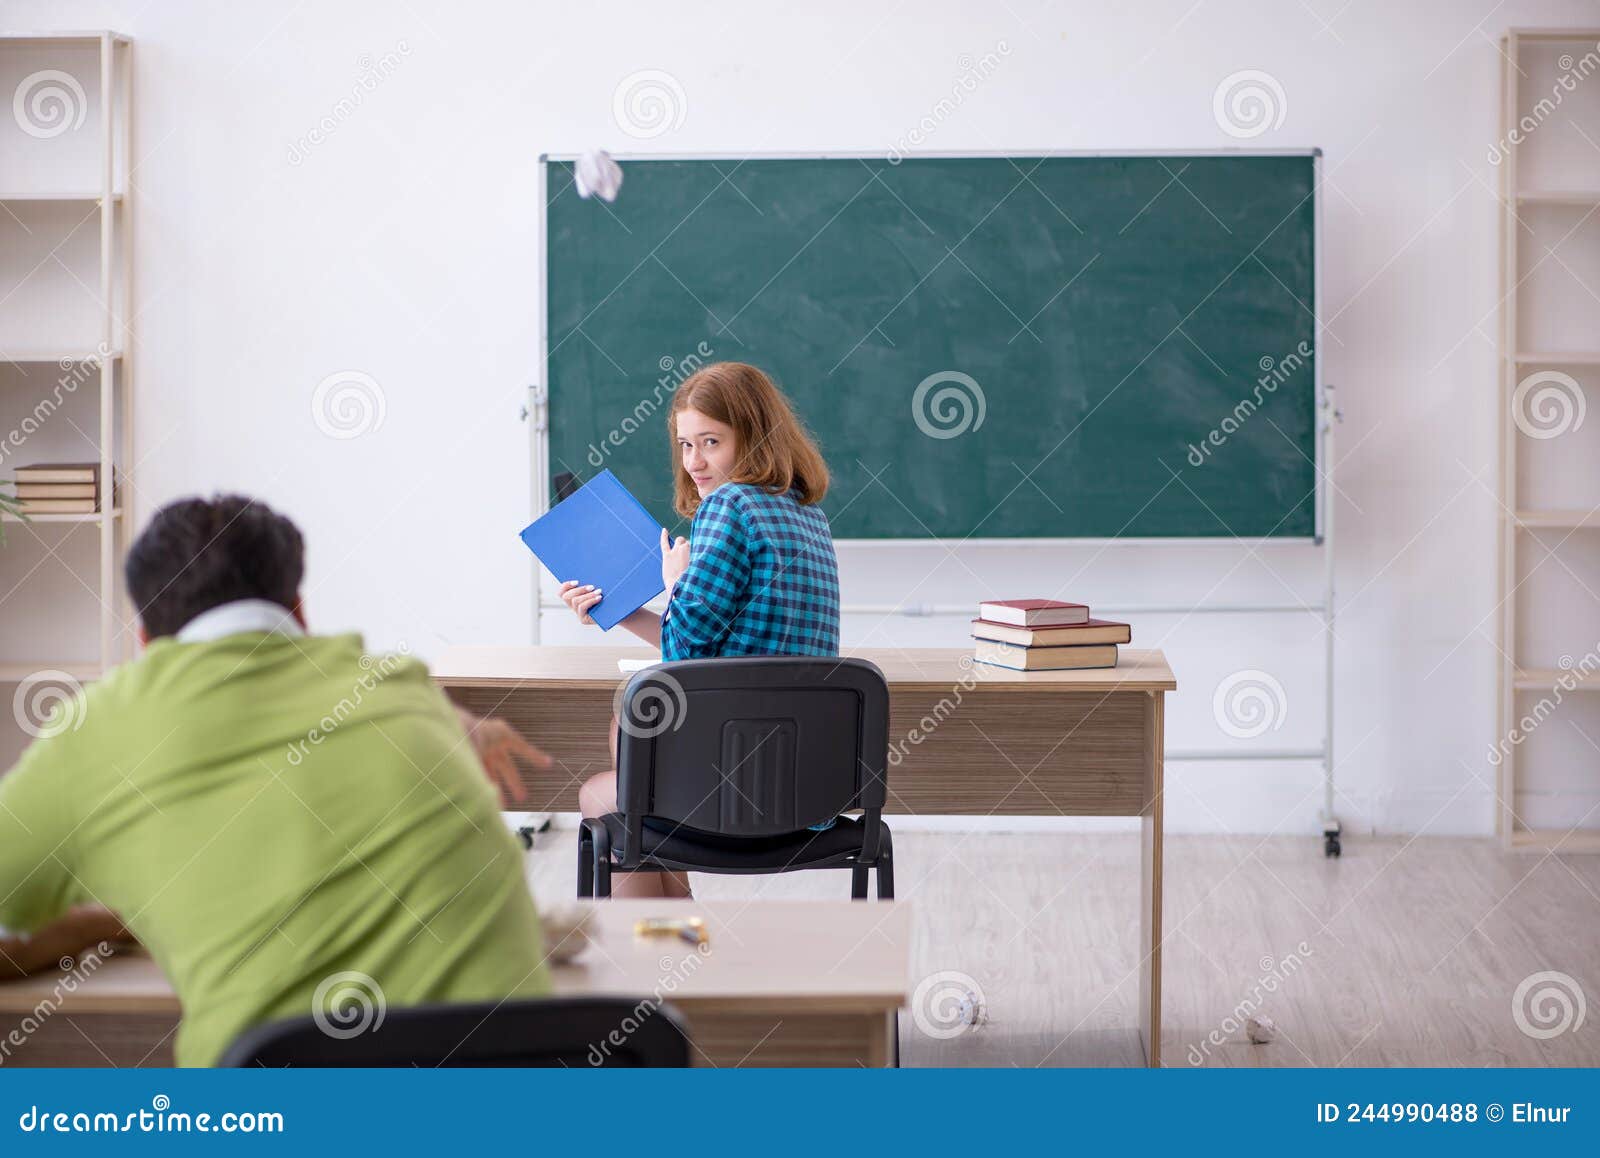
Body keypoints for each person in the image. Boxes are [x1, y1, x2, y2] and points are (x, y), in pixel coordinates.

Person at [0, 495, 554, 1065]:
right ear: (299, 610)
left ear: (144, 640)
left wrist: (101, 925)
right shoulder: (400, 686)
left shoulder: (95, 730)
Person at [559, 362, 841, 898]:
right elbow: (704, 646)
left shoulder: (728, 506)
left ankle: (659, 969)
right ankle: (683, 962)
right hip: (801, 790)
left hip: (731, 788)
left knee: (607, 801)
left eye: (711, 442)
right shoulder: (808, 514)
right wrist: (616, 610)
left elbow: (684, 652)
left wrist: (675, 580)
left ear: (754, 436)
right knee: (632, 801)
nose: (695, 463)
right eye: (686, 445)